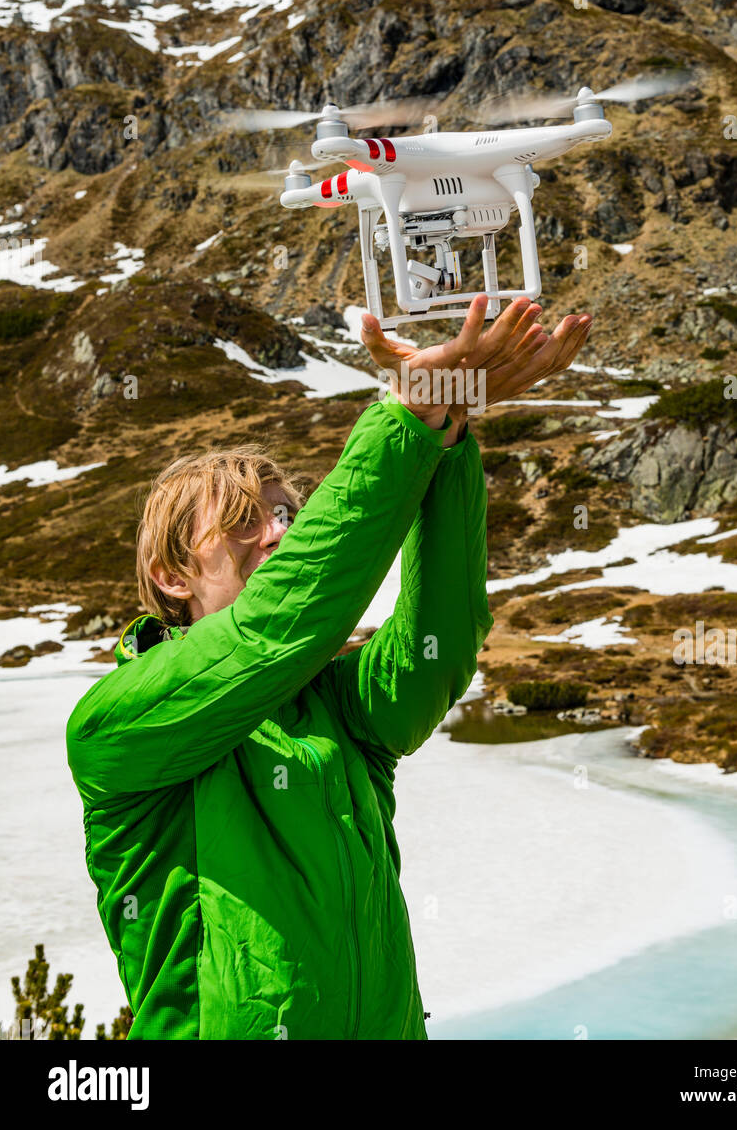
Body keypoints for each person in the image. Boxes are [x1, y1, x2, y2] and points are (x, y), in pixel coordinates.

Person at [66, 296, 593, 1040]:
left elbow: (439, 643)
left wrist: (445, 436)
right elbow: (274, 629)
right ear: (172, 576)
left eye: (288, 514)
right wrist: (404, 420)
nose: (278, 534)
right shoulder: (115, 726)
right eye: (243, 522)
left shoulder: (338, 706)